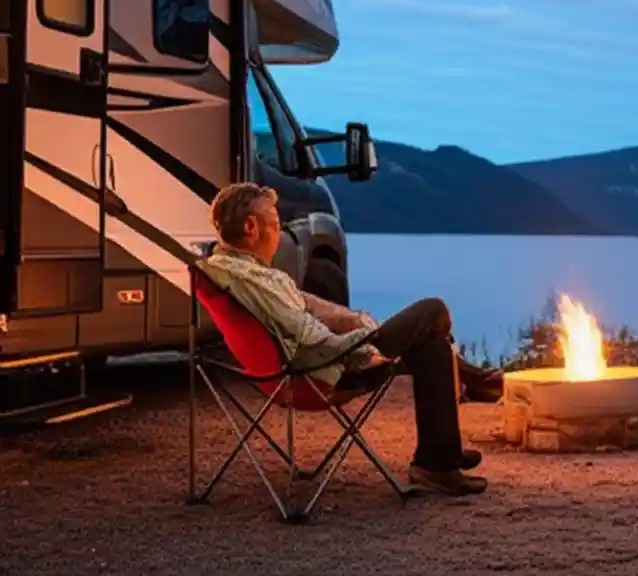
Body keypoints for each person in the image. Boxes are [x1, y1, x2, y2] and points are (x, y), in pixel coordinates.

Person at [199, 182, 489, 496]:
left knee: (431, 345)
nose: (279, 233)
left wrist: (353, 322)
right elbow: (309, 336)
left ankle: (440, 458)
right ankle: (451, 437)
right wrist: (361, 343)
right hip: (326, 372)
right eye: (275, 223)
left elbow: (302, 311)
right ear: (250, 227)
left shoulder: (230, 271)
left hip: (308, 366)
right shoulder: (250, 279)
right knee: (433, 311)